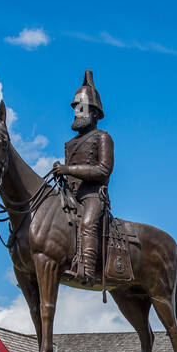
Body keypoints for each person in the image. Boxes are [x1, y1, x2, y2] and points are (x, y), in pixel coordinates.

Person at [53, 69, 114, 284]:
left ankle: (87, 270)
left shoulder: (103, 138)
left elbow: (103, 170)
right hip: (70, 195)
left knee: (88, 223)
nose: (78, 112)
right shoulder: (69, 144)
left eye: (82, 108)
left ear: (95, 113)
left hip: (92, 195)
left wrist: (68, 170)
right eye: (76, 108)